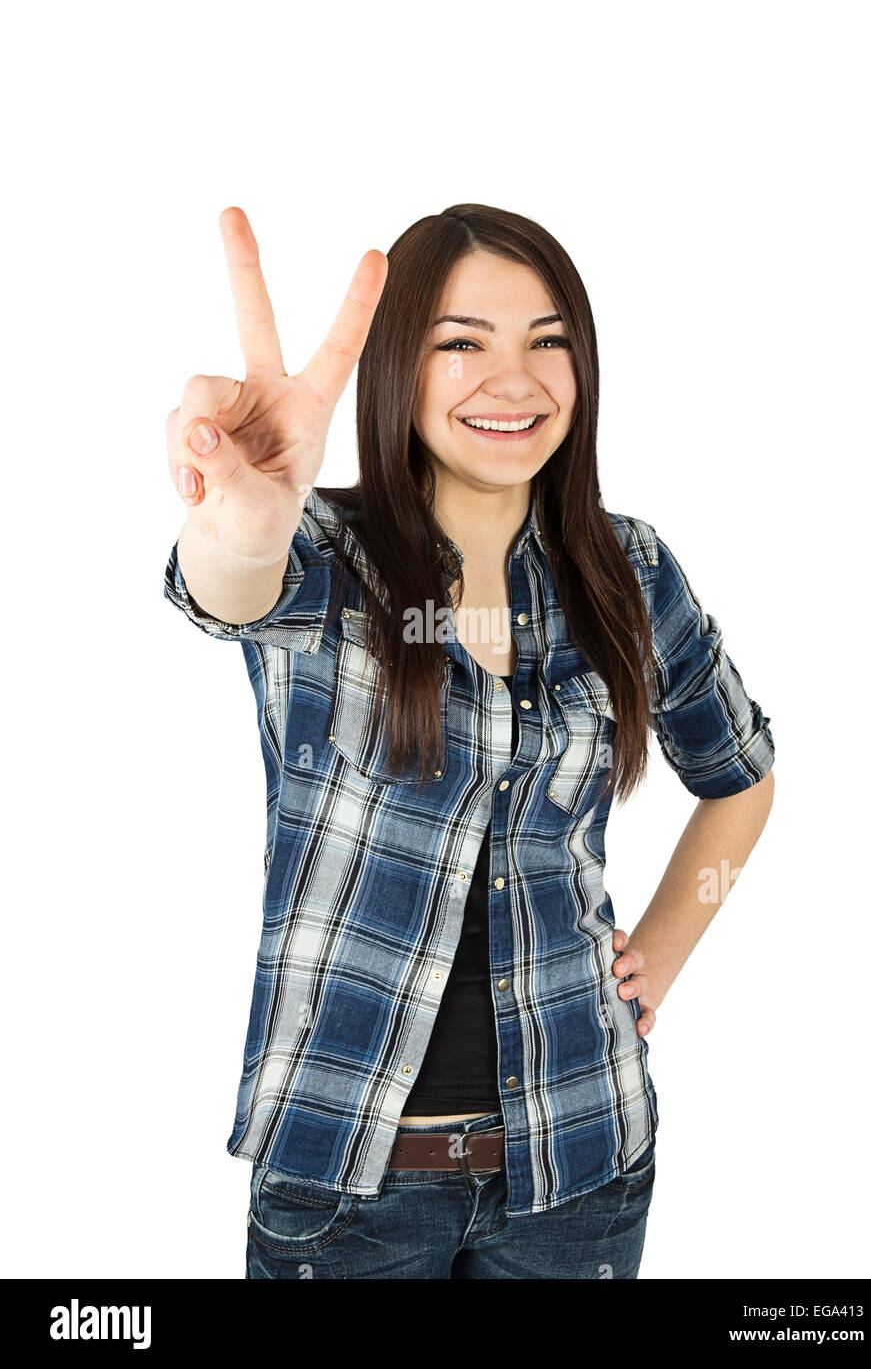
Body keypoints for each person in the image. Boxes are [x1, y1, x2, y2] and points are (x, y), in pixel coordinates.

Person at [163, 204, 775, 1280]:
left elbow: (739, 779)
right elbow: (231, 585)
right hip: (348, 1187)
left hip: (576, 1172)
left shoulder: (628, 572)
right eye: (462, 343)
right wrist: (236, 524)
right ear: (399, 364)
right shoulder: (323, 558)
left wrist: (658, 959)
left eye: (548, 340)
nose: (517, 379)